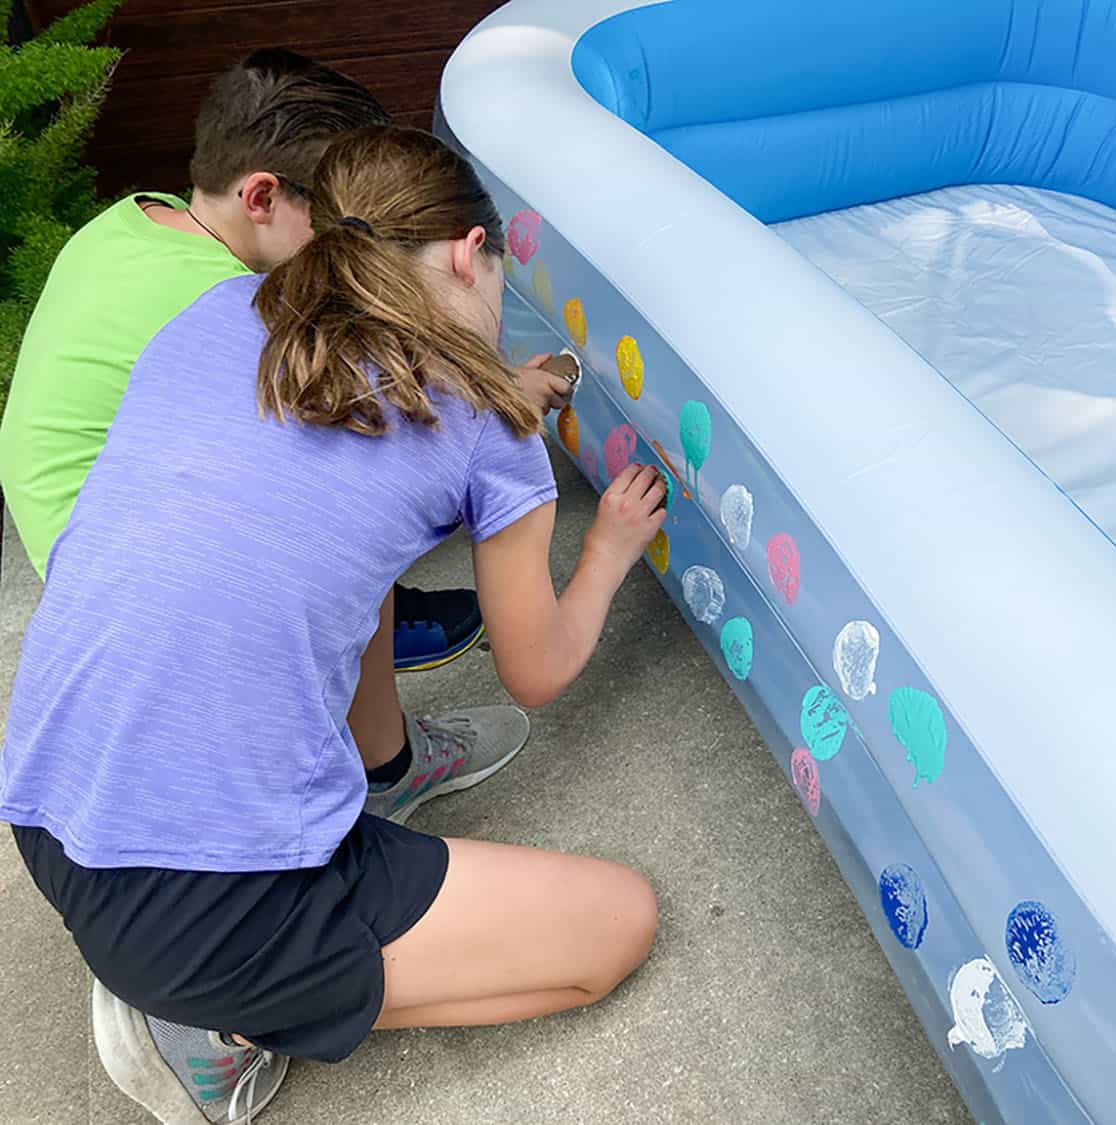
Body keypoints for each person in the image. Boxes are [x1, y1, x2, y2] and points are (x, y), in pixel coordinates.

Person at [1, 124, 664, 1124]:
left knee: (337, 579)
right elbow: (537, 670)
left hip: (50, 809)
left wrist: (499, 398)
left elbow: (358, 441)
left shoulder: (218, 314)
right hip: (207, 909)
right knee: (618, 928)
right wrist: (607, 550)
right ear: (468, 253)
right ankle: (214, 1023)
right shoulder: (493, 441)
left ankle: (385, 775)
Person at [0, 49, 572, 686]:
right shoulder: (226, 302)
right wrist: (492, 398)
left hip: (99, 527)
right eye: (335, 224)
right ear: (263, 196)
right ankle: (351, 686)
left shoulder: (140, 217)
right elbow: (356, 409)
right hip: (136, 556)